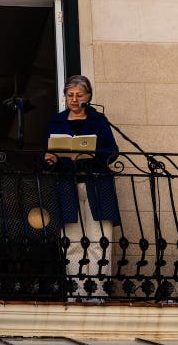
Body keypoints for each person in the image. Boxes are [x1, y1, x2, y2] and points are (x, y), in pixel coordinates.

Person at [44, 75, 121, 298]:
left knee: (100, 240)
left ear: (88, 97)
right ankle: (76, 293)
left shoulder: (98, 119)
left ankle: (98, 294)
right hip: (68, 185)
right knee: (73, 243)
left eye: (79, 95)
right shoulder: (56, 121)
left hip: (97, 184)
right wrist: (49, 159)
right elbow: (45, 153)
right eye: (70, 95)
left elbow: (112, 151)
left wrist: (90, 154)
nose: (74, 99)